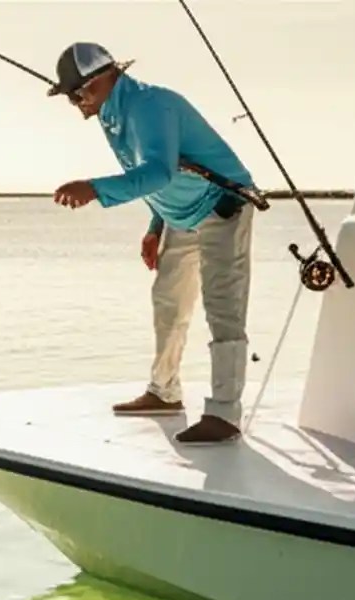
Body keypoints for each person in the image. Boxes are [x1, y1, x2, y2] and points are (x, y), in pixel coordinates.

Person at [47, 42, 259, 444]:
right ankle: (164, 392)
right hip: (180, 216)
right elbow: (157, 175)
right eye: (71, 96)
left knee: (223, 308)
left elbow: (158, 172)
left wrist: (94, 188)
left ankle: (225, 414)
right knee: (168, 304)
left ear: (104, 79)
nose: (77, 103)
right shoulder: (113, 114)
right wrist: (155, 226)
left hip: (222, 206)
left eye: (79, 93)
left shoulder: (150, 106)